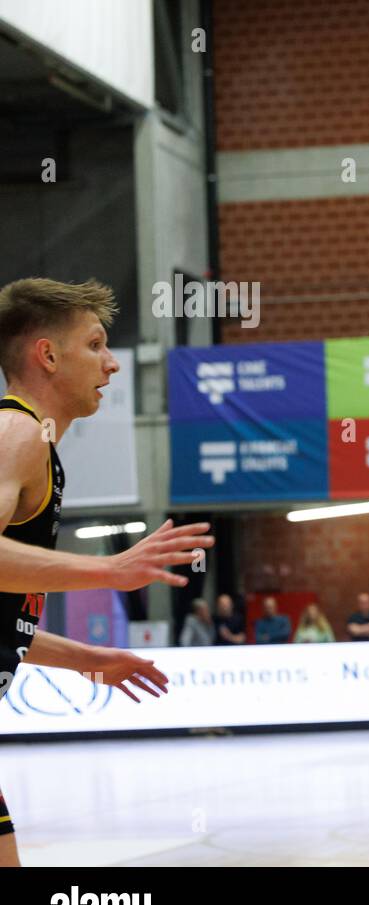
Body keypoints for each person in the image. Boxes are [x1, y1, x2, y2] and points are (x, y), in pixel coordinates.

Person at [0, 276, 214, 867]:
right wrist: (111, 571)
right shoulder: (17, 432)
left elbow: (5, 618)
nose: (112, 365)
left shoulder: (33, 444)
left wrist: (91, 660)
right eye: (95, 345)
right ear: (47, 355)